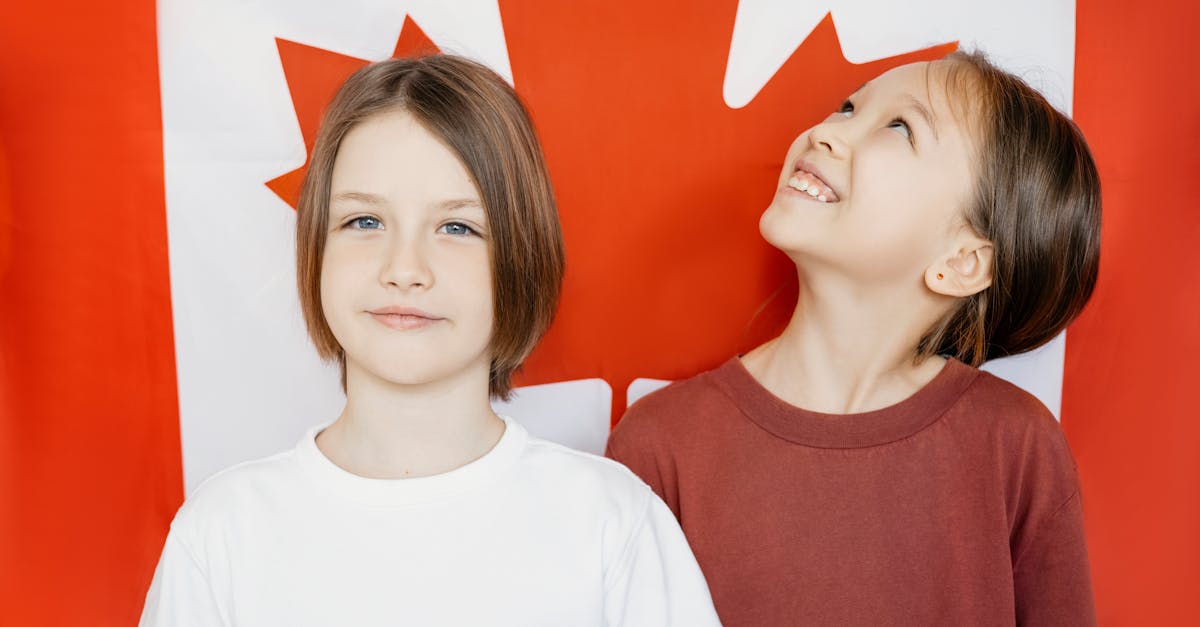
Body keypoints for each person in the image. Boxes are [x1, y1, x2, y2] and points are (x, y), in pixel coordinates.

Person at [140, 54, 720, 626]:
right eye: (364, 221)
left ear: (522, 256)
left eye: (457, 227)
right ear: (316, 247)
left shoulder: (612, 525)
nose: (405, 268)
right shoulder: (222, 535)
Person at [606, 50, 1100, 626]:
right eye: (847, 107)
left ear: (962, 260)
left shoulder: (1016, 447)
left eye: (899, 127)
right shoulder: (660, 445)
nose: (825, 133)